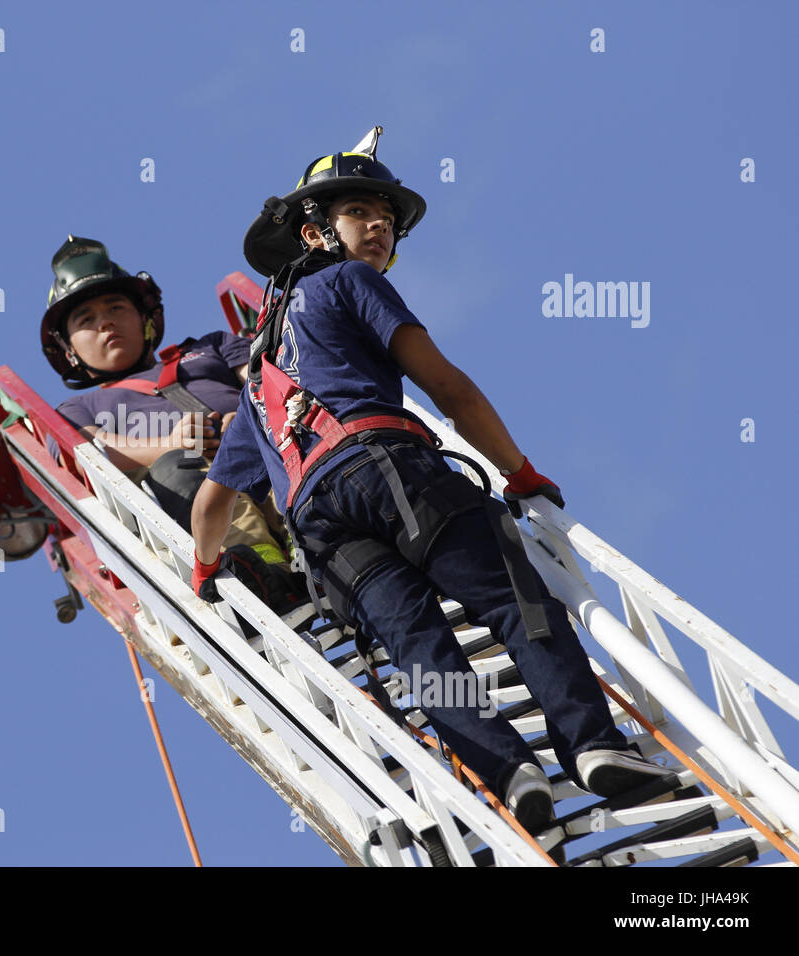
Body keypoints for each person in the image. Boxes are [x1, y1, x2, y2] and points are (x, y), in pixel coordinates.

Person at [190, 132, 673, 829]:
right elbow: (448, 388)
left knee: (421, 651)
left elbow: (212, 502)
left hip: (320, 530)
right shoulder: (350, 281)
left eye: (387, 216)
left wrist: (206, 574)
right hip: (390, 469)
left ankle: (509, 774)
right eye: (360, 211)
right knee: (513, 600)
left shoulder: (255, 395)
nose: (380, 225)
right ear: (314, 232)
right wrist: (519, 471)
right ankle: (594, 746)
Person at [39, 235, 308, 620]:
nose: (105, 322)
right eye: (86, 320)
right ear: (70, 351)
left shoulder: (211, 347)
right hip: (191, 487)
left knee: (282, 439)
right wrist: (171, 445)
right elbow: (88, 455)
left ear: (145, 320)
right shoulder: (76, 409)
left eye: (115, 306)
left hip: (262, 451)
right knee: (172, 468)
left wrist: (247, 416)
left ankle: (317, 546)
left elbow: (266, 379)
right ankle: (264, 575)